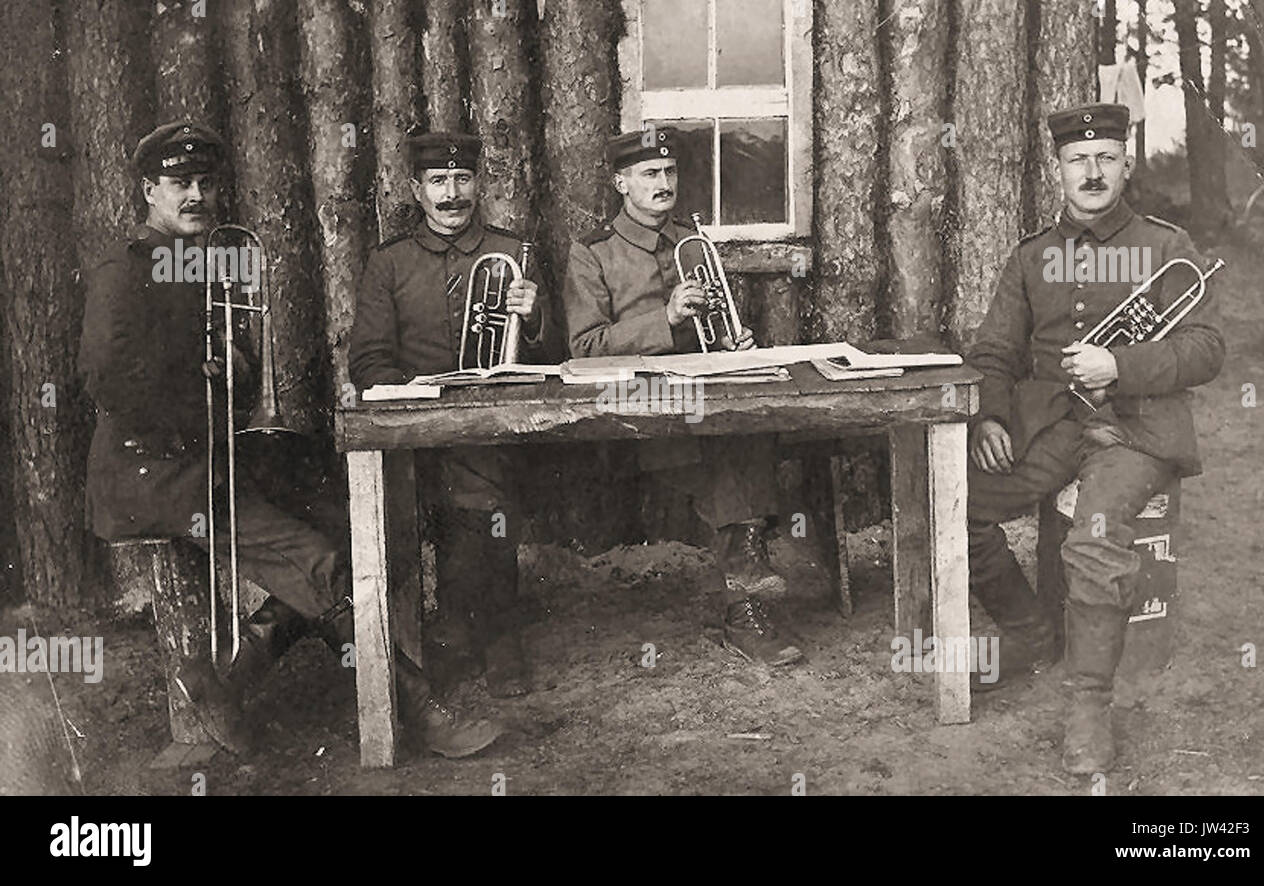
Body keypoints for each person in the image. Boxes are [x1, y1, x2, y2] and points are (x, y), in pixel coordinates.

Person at [80, 120, 501, 758]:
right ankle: (419, 711)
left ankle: (229, 680)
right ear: (149, 190)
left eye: (204, 183)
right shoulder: (125, 266)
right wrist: (194, 401)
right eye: (178, 183)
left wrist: (233, 370)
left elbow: (236, 382)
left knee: (341, 526)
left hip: (206, 458)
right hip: (153, 473)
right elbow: (106, 378)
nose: (195, 195)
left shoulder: (204, 263)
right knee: (316, 560)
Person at [966, 103, 1225, 773]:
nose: (1092, 171)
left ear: (1126, 165)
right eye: (1078, 160)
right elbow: (994, 349)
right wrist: (991, 416)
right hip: (1054, 423)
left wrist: (1123, 367)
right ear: (1059, 169)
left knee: (1095, 536)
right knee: (957, 509)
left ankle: (1088, 707)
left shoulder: (1165, 246)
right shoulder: (1032, 256)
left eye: (1106, 158)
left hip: (1134, 432)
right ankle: (1029, 635)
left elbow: (1207, 349)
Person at [562, 128, 803, 667]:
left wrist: (729, 339)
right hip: (635, 413)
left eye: (670, 173)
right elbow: (583, 346)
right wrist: (664, 320)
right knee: (724, 460)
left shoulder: (689, 243)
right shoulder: (593, 252)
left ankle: (747, 582)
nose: (664, 183)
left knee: (753, 431)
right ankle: (746, 601)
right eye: (650, 174)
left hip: (702, 399)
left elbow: (712, 329)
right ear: (620, 182)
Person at [350, 129, 558, 697]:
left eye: (462, 179)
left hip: (492, 432)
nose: (452, 194)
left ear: (479, 183)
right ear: (416, 190)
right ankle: (484, 628)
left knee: (481, 485)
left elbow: (553, 357)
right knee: (467, 490)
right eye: (438, 182)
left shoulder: (511, 251)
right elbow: (366, 360)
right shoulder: (389, 264)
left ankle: (476, 630)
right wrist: (414, 398)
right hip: (416, 433)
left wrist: (533, 318)